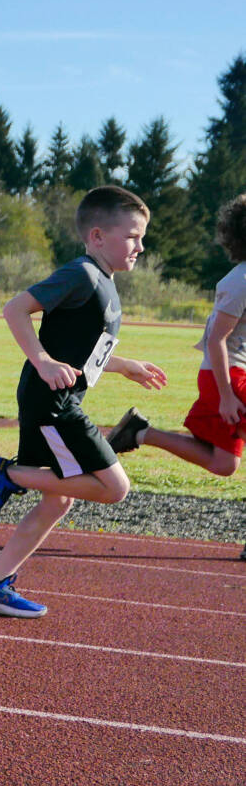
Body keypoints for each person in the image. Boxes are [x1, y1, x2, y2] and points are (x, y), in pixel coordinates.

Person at [0, 186, 166, 617]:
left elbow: (82, 353)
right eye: (132, 236)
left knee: (59, 498)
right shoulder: (81, 273)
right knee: (115, 488)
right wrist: (40, 360)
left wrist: (125, 364)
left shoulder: (105, 284)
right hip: (53, 405)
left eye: (142, 236)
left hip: (57, 401)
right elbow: (15, 308)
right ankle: (7, 474)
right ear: (97, 236)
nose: (141, 245)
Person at [106, 193, 246, 561]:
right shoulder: (240, 280)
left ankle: (139, 432)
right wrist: (228, 395)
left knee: (223, 464)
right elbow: (216, 339)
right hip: (227, 375)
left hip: (236, 375)